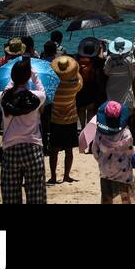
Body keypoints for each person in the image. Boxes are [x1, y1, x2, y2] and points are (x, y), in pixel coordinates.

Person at [0, 59, 47, 204]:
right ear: (28, 77)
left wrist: (13, 80)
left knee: (11, 197)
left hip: (10, 150)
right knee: (36, 196)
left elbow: (7, 90)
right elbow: (42, 91)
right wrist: (35, 76)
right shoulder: (37, 97)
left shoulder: (2, 98)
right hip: (33, 149)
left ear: (12, 77)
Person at [90, 100, 135, 204]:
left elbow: (95, 151)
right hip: (123, 171)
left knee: (106, 195)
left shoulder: (99, 133)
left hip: (105, 170)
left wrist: (101, 160)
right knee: (124, 195)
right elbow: (130, 152)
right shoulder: (126, 133)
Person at [47, 55, 82, 184]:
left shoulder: (53, 87)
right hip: (70, 120)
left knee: (54, 150)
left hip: (56, 120)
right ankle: (66, 175)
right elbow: (80, 79)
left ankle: (53, 176)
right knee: (69, 150)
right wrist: (74, 72)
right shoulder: (74, 86)